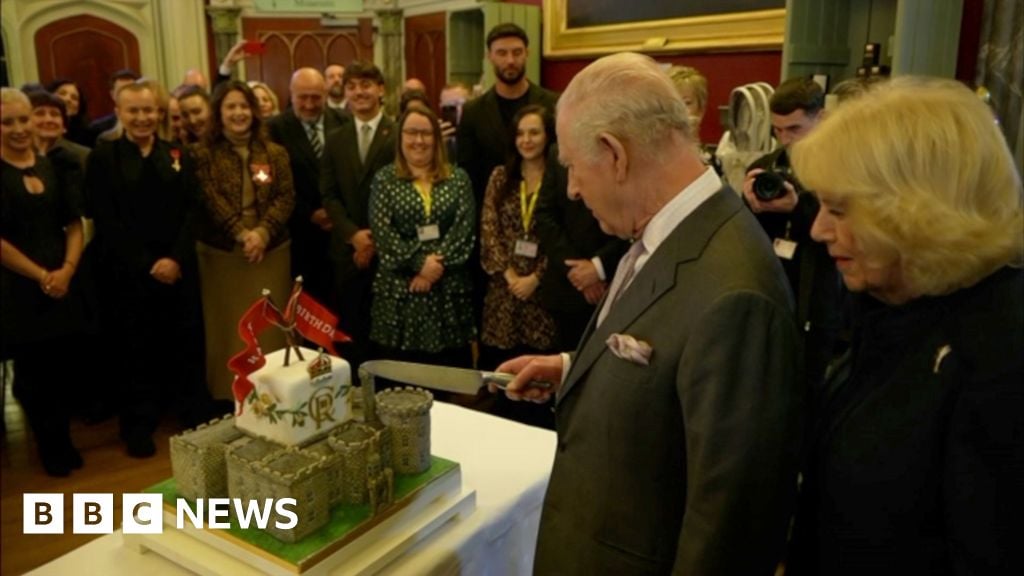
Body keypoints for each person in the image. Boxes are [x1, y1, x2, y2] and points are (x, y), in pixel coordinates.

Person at [496, 53, 802, 574]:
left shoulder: (735, 290)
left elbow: (728, 530)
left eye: (572, 164)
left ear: (615, 154)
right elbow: (669, 355)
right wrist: (578, 369)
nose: (570, 187)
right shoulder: (671, 234)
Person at [786, 77, 1023, 575]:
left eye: (839, 210)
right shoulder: (890, 309)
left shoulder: (999, 359)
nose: (818, 230)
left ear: (918, 213)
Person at [86, 80, 213, 457]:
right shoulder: (103, 156)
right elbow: (105, 218)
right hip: (127, 273)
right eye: (133, 111)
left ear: (159, 113)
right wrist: (147, 264)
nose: (142, 118)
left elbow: (193, 210)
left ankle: (187, 412)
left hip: (176, 267)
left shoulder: (177, 152)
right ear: (120, 112)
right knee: (133, 350)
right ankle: (138, 424)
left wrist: (174, 259)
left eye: (148, 110)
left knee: (182, 342)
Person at [1, 88, 88, 476]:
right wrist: (41, 275)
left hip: (61, 282)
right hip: (18, 288)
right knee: (34, 375)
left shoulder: (52, 165)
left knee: (64, 366)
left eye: (24, 119)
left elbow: (73, 223)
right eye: (8, 122)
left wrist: (67, 269)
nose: (19, 128)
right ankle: (50, 447)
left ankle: (63, 440)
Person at [192, 81, 295, 400]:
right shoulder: (203, 154)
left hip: (270, 253)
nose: (239, 113)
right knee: (229, 330)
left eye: (244, 106)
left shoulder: (274, 153)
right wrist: (242, 233)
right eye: (230, 106)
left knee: (270, 329)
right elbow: (210, 199)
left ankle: (274, 392)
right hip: (223, 255)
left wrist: (262, 233)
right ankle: (230, 395)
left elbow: (285, 196)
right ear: (218, 113)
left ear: (254, 110)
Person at [456, 22, 559, 336]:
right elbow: (468, 177)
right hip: (494, 237)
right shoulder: (473, 112)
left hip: (543, 231)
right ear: (490, 57)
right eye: (502, 53)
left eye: (516, 52)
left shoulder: (552, 104)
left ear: (527, 53)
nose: (510, 60)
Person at [742, 77, 842, 391]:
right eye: (778, 130)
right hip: (773, 292)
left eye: (795, 129)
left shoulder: (842, 167)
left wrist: (800, 207)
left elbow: (842, 231)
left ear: (821, 118)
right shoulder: (765, 169)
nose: (785, 140)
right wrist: (749, 205)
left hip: (821, 299)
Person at [369, 105, 476, 369]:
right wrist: (419, 265)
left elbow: (464, 231)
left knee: (446, 377)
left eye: (426, 133)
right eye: (412, 133)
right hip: (400, 294)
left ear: (437, 138)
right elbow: (383, 234)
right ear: (400, 137)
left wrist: (434, 268)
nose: (419, 140)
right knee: (402, 380)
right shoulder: (384, 180)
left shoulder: (458, 178)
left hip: (447, 293)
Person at [320, 61, 396, 370]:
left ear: (380, 89)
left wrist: (375, 238)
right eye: (352, 86)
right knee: (351, 325)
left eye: (366, 85)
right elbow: (329, 194)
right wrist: (353, 235)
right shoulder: (335, 138)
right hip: (347, 249)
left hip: (390, 249)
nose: (359, 92)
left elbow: (404, 189)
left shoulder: (399, 132)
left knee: (386, 327)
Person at [479, 105, 557, 369]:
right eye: (520, 133)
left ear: (548, 135)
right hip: (505, 289)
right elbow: (489, 230)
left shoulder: (559, 177)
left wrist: (535, 279)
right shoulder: (500, 177)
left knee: (538, 371)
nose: (526, 140)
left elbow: (562, 235)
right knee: (502, 374)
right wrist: (510, 276)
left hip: (542, 290)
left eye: (534, 132)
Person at [266, 68, 346, 308]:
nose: (309, 104)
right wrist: (310, 213)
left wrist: (336, 213)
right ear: (290, 95)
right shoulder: (274, 129)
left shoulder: (344, 121)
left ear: (325, 93)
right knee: (309, 306)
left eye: (315, 97)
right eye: (303, 97)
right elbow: (275, 183)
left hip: (341, 233)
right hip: (301, 234)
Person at [533, 151, 628, 353]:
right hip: (566, 287)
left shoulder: (621, 152)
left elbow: (634, 215)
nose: (573, 191)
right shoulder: (558, 154)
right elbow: (544, 215)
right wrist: (579, 271)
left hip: (615, 283)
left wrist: (598, 267)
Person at [88, 68, 140, 144]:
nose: (127, 95)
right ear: (112, 95)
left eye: (131, 90)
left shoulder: (149, 123)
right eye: (121, 91)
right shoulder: (98, 129)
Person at [46, 78, 92, 147]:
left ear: (78, 108)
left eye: (74, 98)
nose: (68, 99)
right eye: (62, 93)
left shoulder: (87, 135)